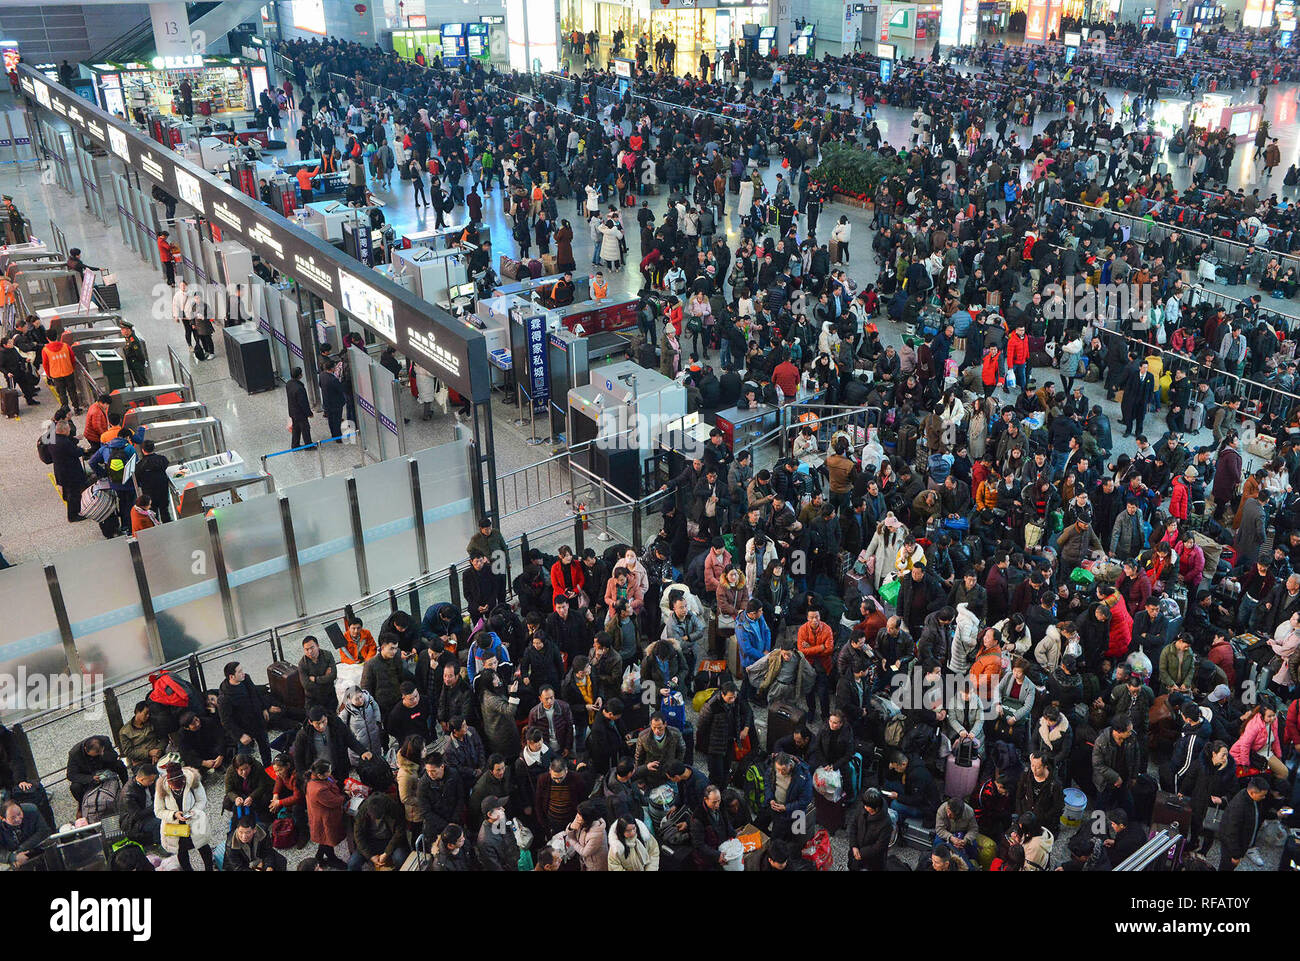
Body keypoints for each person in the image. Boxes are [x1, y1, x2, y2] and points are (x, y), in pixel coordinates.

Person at [155, 758, 214, 871]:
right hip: (175, 824)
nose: (174, 788)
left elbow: (201, 800)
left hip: (194, 819)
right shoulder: (161, 788)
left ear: (183, 780)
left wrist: (193, 811)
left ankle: (209, 869)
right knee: (181, 851)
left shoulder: (193, 780)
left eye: (178, 786)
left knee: (203, 846)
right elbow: (158, 811)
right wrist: (174, 814)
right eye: (172, 786)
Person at [286, 366, 313, 449]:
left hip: (292, 411)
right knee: (305, 428)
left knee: (296, 428)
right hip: (300, 413)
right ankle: (308, 445)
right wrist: (309, 413)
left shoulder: (289, 384)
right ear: (300, 375)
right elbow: (303, 403)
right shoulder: (299, 388)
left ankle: (295, 444)